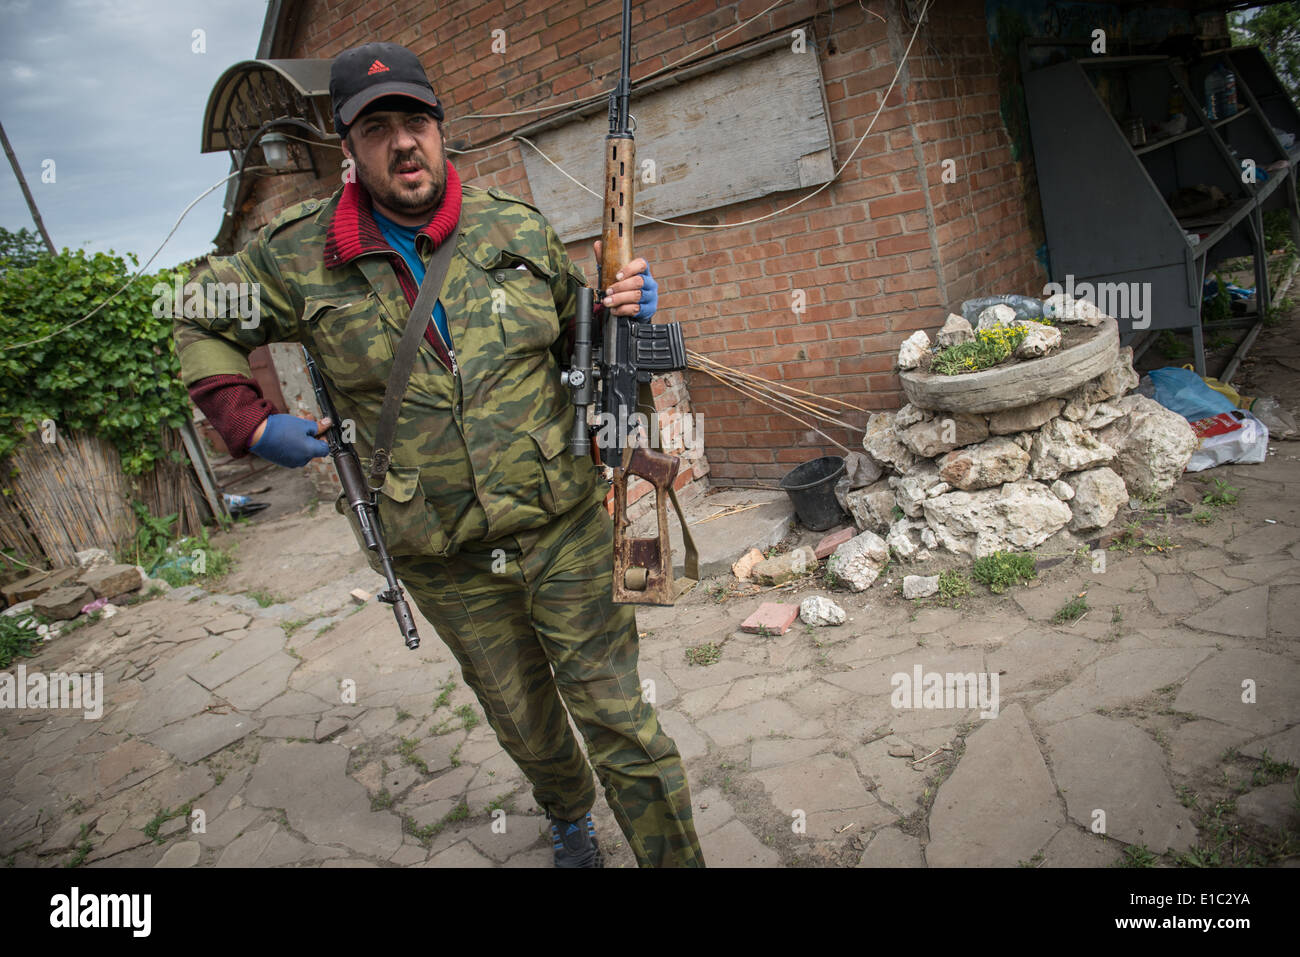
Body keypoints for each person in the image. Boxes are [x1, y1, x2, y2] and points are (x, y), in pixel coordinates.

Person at [175, 41, 704, 868]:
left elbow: (586, 334)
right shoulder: (293, 254)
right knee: (523, 716)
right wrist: (245, 422)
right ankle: (568, 814)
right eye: (377, 128)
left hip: (562, 522)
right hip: (445, 554)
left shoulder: (515, 227)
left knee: (618, 718)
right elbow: (195, 314)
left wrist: (626, 315)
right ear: (346, 148)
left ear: (440, 127)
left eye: (415, 120)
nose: (403, 143)